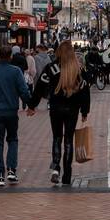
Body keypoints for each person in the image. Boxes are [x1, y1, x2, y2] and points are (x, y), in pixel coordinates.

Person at [27, 41, 91, 186]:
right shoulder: (79, 69)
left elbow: (39, 87)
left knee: (57, 137)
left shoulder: (51, 68)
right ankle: (67, 175)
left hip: (56, 107)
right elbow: (85, 91)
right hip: (72, 109)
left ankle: (56, 167)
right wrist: (84, 110)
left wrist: (32, 105)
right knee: (68, 140)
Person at [0, 45, 30, 186]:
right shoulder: (15, 72)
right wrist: (29, 104)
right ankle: (11, 170)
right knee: (12, 140)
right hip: (11, 111)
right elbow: (23, 90)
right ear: (10, 57)